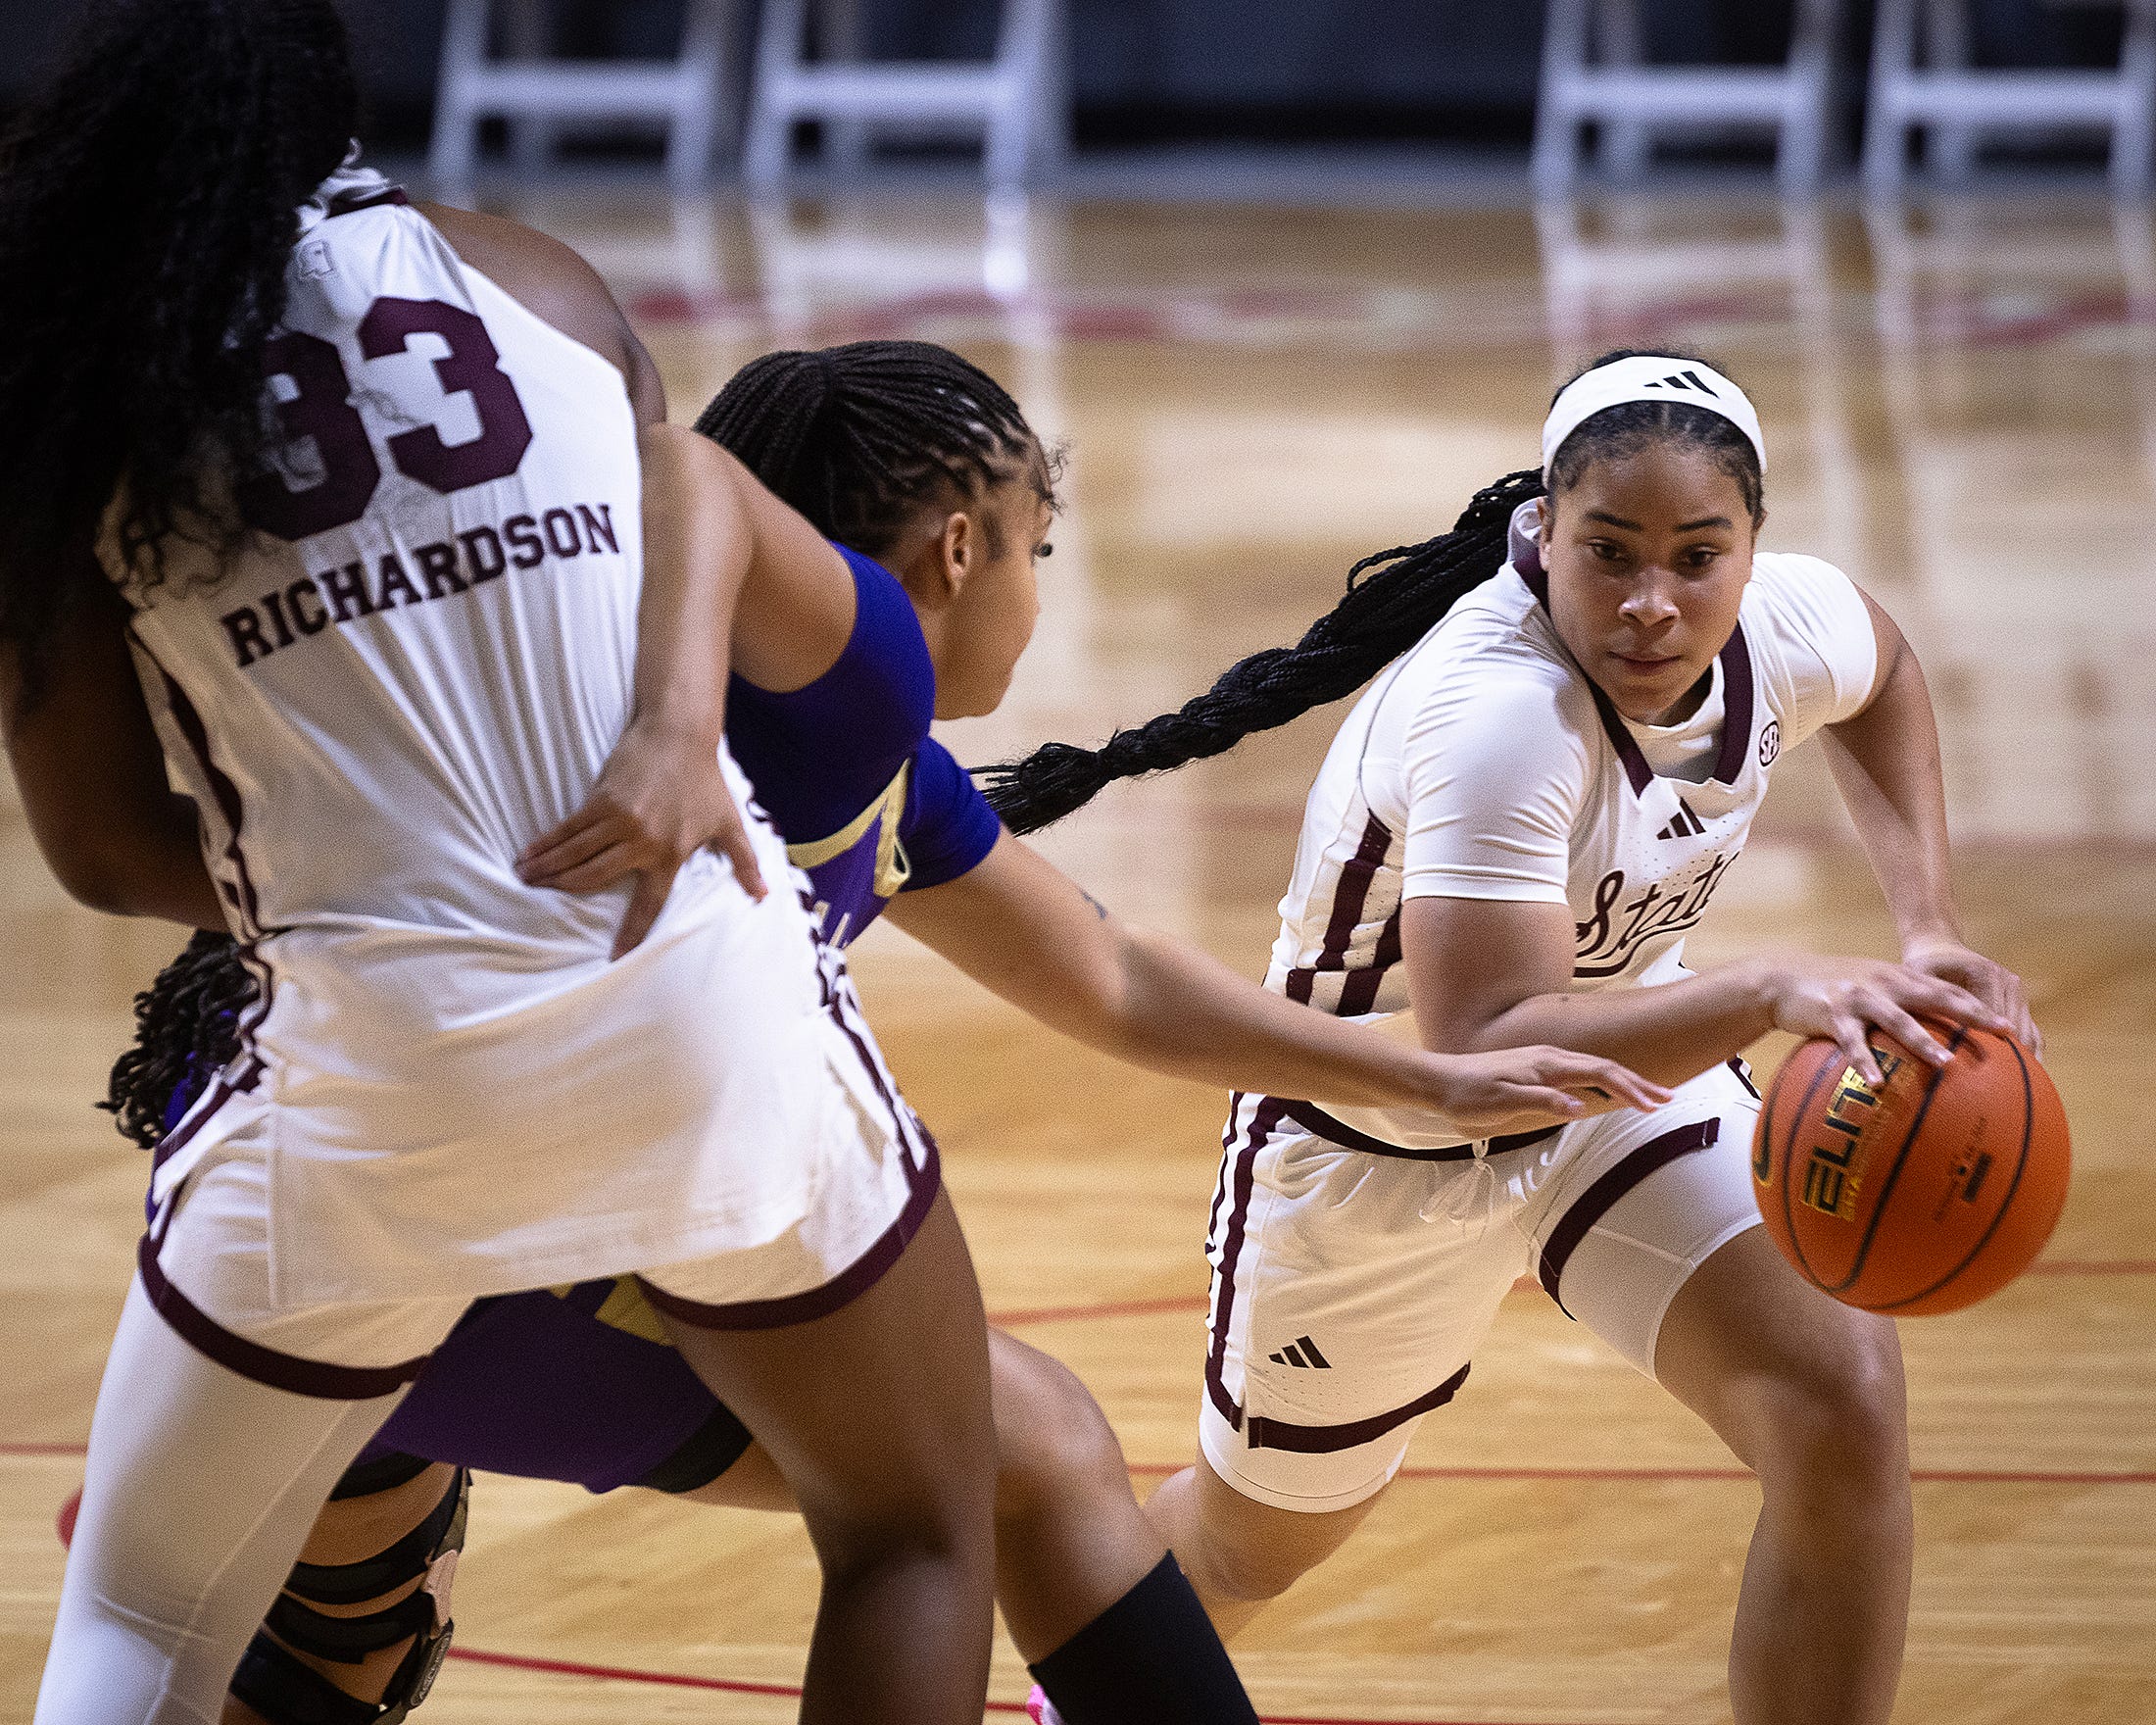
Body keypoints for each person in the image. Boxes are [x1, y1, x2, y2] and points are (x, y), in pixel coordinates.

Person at [102, 340, 1670, 1725]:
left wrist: (1415, 1069)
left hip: (261, 1207)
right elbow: (681, 472)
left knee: (331, 1649)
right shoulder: (835, 693)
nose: (1036, 597)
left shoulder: (799, 732)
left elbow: (1107, 976)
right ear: (959, 543)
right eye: (1038, 552)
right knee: (1023, 1456)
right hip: (469, 1241)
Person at [0, 6, 1011, 1719]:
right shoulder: (538, 281)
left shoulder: (77, 402)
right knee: (916, 1527)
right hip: (697, 992)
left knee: (144, 1617)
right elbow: (683, 487)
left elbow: (100, 848)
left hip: (372, 1076)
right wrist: (670, 743)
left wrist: (370, 876)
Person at [983, 350, 2039, 1725]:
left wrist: (1928, 923)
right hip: (1386, 1129)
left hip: (1620, 1079)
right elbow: (1491, 1050)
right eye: (1611, 553)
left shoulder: (1781, 625)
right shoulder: (1499, 716)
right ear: (1543, 531)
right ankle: (1089, 1689)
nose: (1654, 601)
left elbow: (1884, 666)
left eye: (1697, 557)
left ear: (1754, 549)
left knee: (1840, 1405)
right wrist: (1776, 986)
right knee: (1257, 1545)